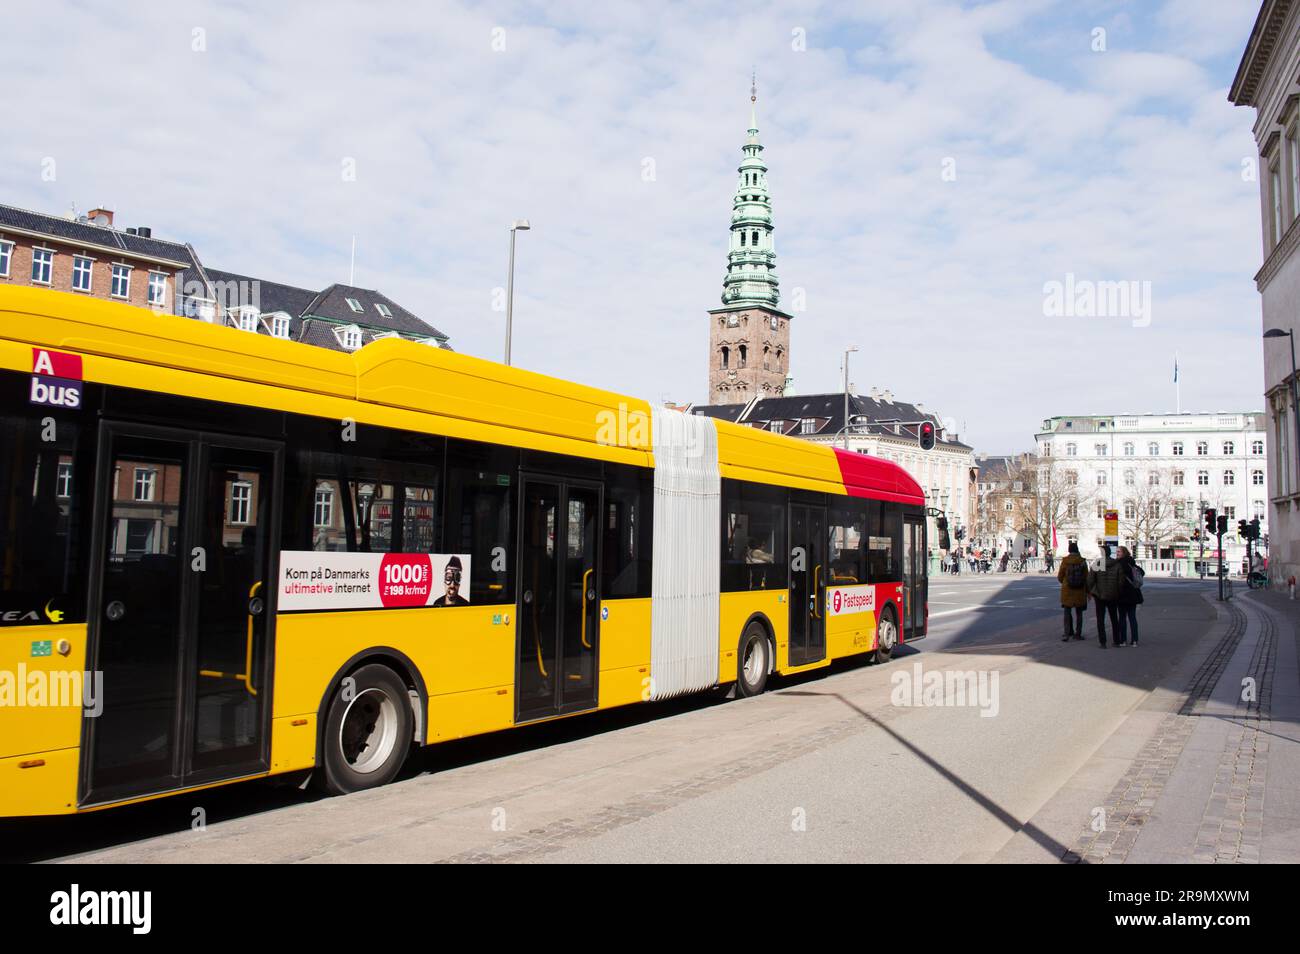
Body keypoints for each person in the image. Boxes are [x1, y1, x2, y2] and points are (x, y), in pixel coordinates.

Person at [1088, 547, 1122, 648]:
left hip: (1099, 595)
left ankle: (1103, 642)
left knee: (1100, 619)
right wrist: (1117, 592)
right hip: (1113, 595)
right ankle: (1117, 641)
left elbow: (1090, 580)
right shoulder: (1117, 564)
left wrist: (1090, 591)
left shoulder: (1097, 564)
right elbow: (1121, 581)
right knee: (1114, 618)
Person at [1056, 541, 1088, 641]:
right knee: (1079, 613)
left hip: (1067, 590)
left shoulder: (1065, 561)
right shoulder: (1082, 561)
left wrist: (1065, 582)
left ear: (1069, 550)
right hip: (1079, 590)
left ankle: (1067, 633)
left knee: (1067, 612)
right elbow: (1086, 576)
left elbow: (1060, 576)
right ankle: (1078, 634)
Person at [1115, 545, 1144, 646]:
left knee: (1122, 618)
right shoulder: (1132, 563)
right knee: (1132, 617)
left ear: (1123, 553)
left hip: (1122, 594)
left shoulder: (1118, 564)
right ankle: (1134, 640)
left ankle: (1123, 640)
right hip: (1133, 594)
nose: (1117, 553)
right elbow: (1142, 572)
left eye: (1119, 552)